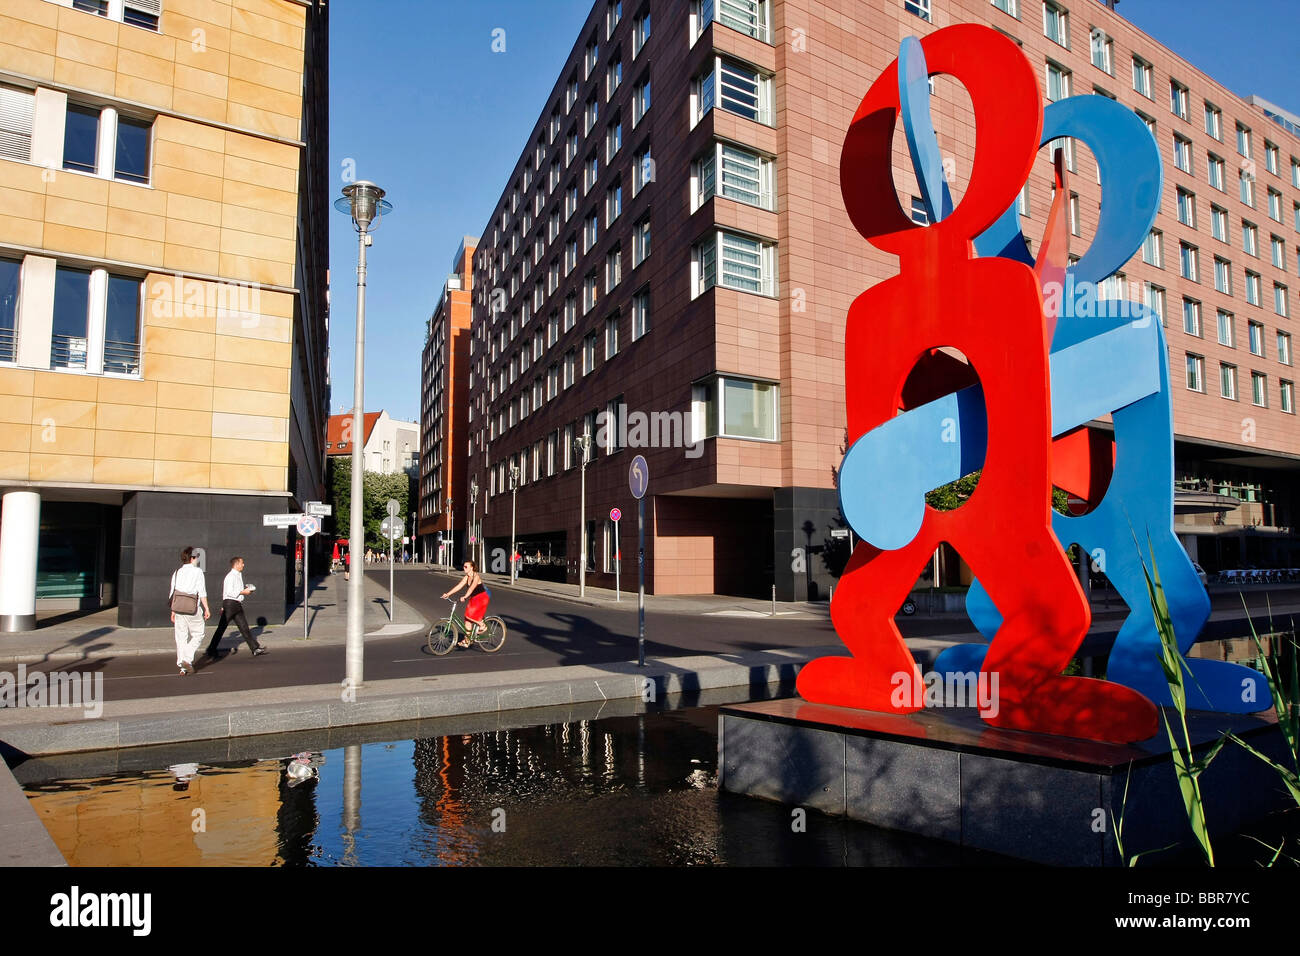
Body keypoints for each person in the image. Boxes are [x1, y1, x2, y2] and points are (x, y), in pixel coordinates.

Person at [205, 556, 267, 659]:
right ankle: (211, 650)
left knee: (244, 628)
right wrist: (243, 592)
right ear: (236, 564)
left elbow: (232, 592)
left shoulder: (237, 575)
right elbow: (229, 592)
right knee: (221, 628)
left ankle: (255, 648)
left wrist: (246, 591)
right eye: (242, 563)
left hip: (236, 604)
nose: (243, 565)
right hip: (231, 605)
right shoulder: (231, 576)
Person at [169, 546, 210, 676]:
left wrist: (173, 611)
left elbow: (173, 592)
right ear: (192, 558)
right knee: (199, 634)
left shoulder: (177, 572)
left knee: (181, 637)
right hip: (192, 608)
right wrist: (206, 608)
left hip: (178, 608)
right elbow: (202, 592)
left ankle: (182, 666)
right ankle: (187, 659)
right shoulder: (197, 572)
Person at [442, 560, 489, 647]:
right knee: (467, 620)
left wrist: (465, 596)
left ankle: (482, 625)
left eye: (466, 567)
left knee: (469, 615)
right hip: (474, 598)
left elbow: (471, 588)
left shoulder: (476, 576)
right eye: (463, 566)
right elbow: (459, 586)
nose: (464, 568)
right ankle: (467, 641)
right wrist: (448, 594)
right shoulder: (466, 577)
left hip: (482, 598)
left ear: (471, 568)